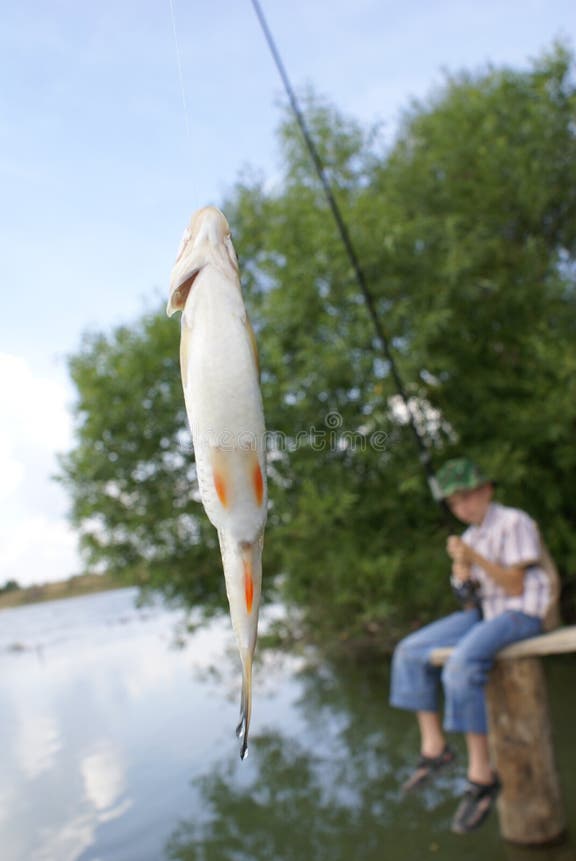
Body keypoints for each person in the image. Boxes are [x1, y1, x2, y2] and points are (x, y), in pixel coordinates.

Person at [389, 457, 555, 834]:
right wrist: (463, 577)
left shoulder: (514, 523)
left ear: (486, 490)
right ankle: (435, 748)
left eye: (467, 497)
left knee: (461, 666)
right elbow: (470, 600)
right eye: (454, 502)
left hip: (521, 614)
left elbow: (514, 587)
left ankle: (481, 773)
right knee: (408, 651)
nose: (462, 507)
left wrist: (473, 558)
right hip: (486, 614)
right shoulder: (469, 538)